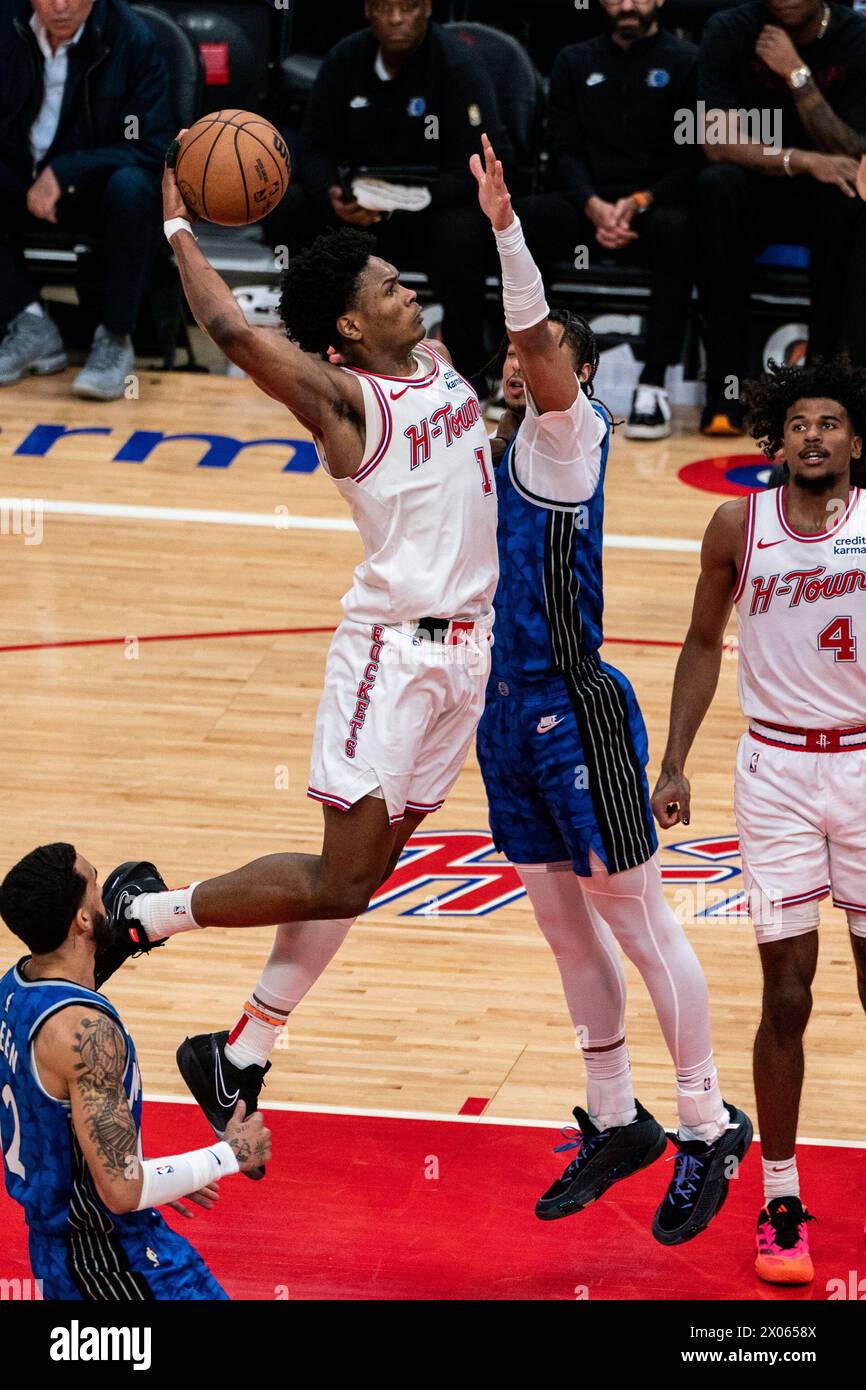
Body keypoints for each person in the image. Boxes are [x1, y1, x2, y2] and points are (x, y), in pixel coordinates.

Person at [96, 136, 498, 1168]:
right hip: (392, 659)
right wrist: (180, 225)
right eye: (388, 287)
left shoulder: (443, 366)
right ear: (349, 328)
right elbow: (231, 328)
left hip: (465, 662)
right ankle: (141, 916)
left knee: (360, 877)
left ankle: (242, 1053)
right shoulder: (343, 400)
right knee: (340, 877)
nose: (409, 292)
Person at [471, 134, 752, 1244]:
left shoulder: (565, 432)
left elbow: (534, 334)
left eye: (533, 353)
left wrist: (504, 228)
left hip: (576, 705)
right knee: (558, 925)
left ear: (575, 375)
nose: (515, 363)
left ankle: (701, 1122)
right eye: (508, 356)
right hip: (506, 719)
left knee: (634, 919)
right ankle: (613, 1115)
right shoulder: (499, 448)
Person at [651, 355, 866, 1283]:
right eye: (799, 423)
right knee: (788, 996)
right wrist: (672, 760)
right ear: (776, 440)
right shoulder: (737, 524)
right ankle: (780, 1196)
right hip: (773, 771)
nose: (813, 435)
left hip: (863, 764)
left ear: (856, 443)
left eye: (831, 424)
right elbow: (703, 642)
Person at [0, 843, 271, 1300]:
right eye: (95, 885)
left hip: (60, 1249)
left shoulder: (13, 988)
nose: (107, 897)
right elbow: (123, 1192)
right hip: (113, 1261)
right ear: (83, 920)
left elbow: (60, 1130)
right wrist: (230, 1155)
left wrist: (152, 1178)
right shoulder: (86, 1032)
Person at [263, 0, 511, 398]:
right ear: (367, 10)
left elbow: (481, 164)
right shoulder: (345, 58)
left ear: (427, 8)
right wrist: (332, 195)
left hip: (430, 212)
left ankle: (469, 366)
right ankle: (318, 351)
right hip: (359, 214)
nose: (396, 19)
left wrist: (414, 198)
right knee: (293, 208)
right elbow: (312, 152)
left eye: (408, 7)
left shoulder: (456, 64)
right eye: (385, 8)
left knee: (462, 231)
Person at [514, 0, 700, 441]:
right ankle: (529, 372)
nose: (628, 5)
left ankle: (653, 385)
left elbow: (696, 155)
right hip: (588, 205)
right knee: (526, 220)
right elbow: (562, 149)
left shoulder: (689, 61)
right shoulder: (574, 60)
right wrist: (592, 204)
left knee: (681, 228)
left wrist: (641, 199)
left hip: (653, 206)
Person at [696, 0, 866, 436]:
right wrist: (803, 160)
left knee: (850, 195)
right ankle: (724, 396)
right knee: (716, 187)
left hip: (825, 197)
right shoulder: (731, 28)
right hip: (756, 188)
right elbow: (716, 141)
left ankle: (830, 396)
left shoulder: (855, 38)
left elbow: (853, 150)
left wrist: (797, 75)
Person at [0, 0, 172, 400]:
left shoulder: (132, 39)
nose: (60, 6)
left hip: (96, 189)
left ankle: (114, 338)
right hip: (20, 177)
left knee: (133, 187)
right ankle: (29, 322)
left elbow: (153, 146)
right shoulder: (6, 27)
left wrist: (67, 170)